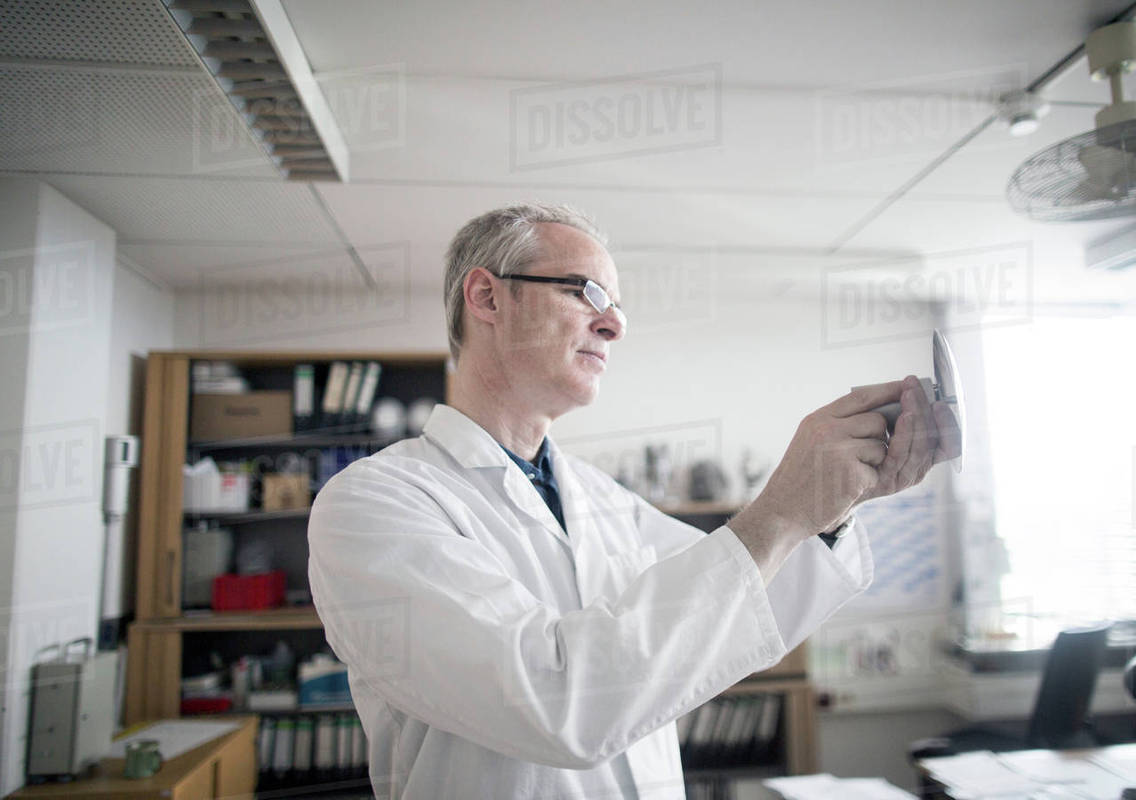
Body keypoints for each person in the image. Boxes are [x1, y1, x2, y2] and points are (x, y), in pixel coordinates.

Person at [308, 203, 960, 799]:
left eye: (618, 305)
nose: (614, 324)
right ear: (487, 297)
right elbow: (556, 702)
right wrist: (783, 509)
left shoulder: (604, 501)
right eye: (585, 291)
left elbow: (732, 614)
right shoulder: (374, 504)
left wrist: (837, 505)